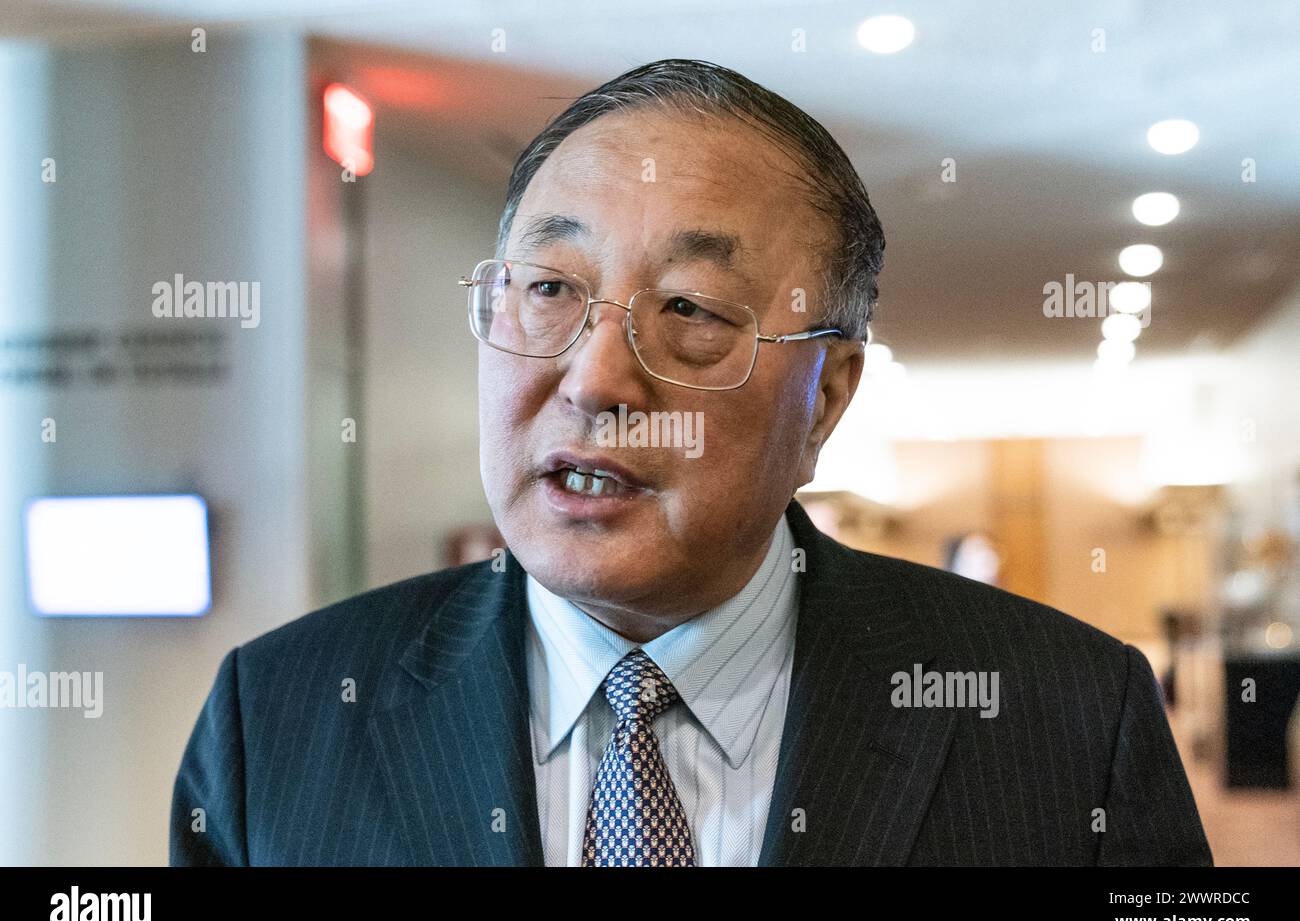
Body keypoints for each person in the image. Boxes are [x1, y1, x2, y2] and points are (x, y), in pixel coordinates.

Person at [171, 58, 1212, 866]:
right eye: (547, 289)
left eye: (690, 309)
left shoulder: (1070, 716)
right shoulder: (278, 714)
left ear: (828, 398)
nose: (594, 381)